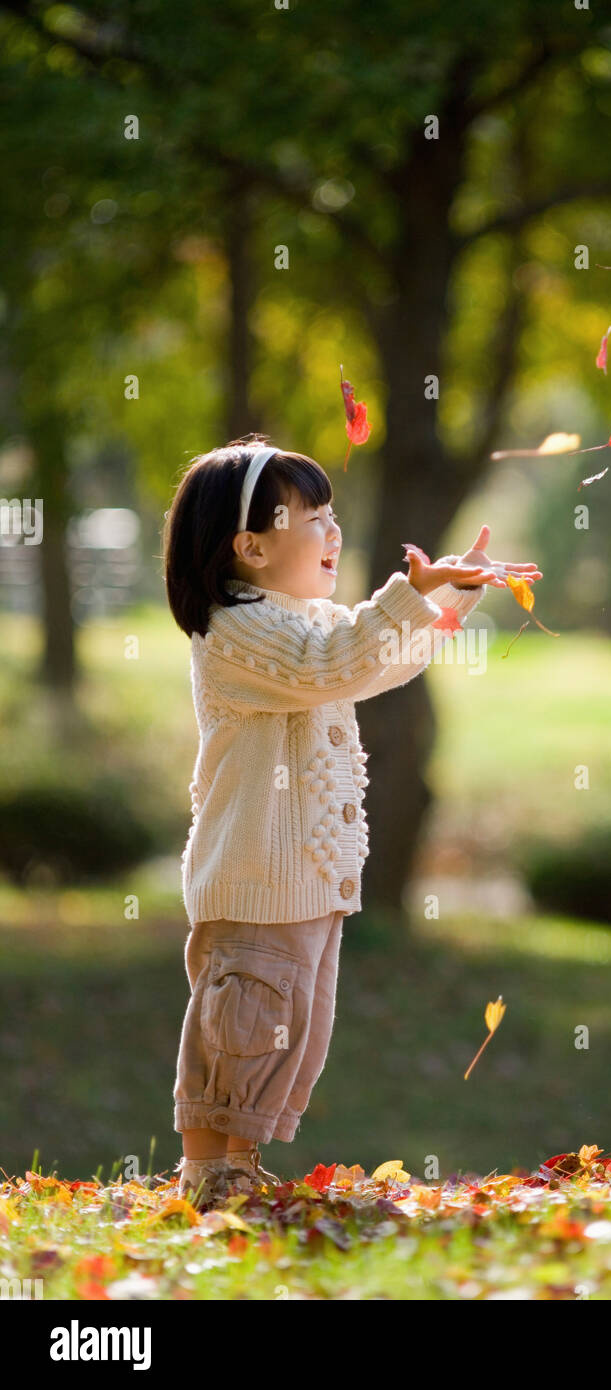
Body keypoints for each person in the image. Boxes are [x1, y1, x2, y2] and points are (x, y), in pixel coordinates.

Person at [161, 434, 541, 1205]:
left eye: (335, 515)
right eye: (313, 517)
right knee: (241, 1025)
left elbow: (375, 663)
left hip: (303, 879)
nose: (334, 532)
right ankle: (211, 1177)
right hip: (256, 878)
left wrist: (448, 597)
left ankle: (233, 1169)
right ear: (251, 546)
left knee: (281, 1033)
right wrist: (408, 593)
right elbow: (332, 663)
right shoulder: (237, 628)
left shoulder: (297, 620)